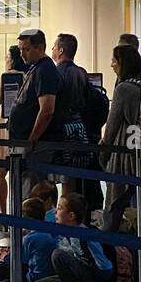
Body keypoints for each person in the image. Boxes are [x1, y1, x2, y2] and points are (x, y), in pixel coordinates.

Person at [99, 44, 141, 234]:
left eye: (114, 61)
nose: (111, 65)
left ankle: (110, 247)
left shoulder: (124, 89)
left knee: (114, 206)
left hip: (124, 154)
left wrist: (103, 152)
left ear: (122, 63)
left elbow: (111, 127)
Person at [32, 193, 115, 282]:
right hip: (78, 277)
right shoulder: (65, 234)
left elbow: (106, 267)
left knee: (58, 255)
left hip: (93, 278)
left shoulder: (87, 235)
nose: (55, 211)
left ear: (71, 216)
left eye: (60, 208)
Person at [8, 29, 66, 162]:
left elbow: (47, 110)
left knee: (33, 175)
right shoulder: (36, 68)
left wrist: (31, 141)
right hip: (26, 142)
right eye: (20, 49)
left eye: (26, 49)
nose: (22, 54)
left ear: (40, 48)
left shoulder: (45, 70)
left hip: (38, 145)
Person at [51, 33, 94, 196]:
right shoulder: (80, 72)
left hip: (62, 131)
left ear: (61, 50)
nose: (52, 50)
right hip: (80, 130)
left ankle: (62, 209)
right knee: (73, 179)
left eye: (54, 47)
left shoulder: (56, 73)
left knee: (63, 178)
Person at [0, 46, 23, 228]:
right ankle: (22, 215)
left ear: (12, 59)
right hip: (24, 131)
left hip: (4, 130)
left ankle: (3, 218)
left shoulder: (6, 76)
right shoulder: (31, 74)